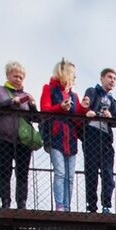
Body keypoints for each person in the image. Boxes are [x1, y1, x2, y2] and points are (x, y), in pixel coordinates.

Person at [0, 61, 37, 210]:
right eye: (15, 76)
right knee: (5, 170)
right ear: (8, 75)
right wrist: (10, 102)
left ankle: (21, 203)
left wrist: (33, 105)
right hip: (4, 136)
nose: (18, 79)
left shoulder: (26, 96)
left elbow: (36, 119)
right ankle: (6, 202)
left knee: (22, 173)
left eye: (21, 77)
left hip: (23, 140)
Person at [40, 58, 87, 212]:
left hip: (71, 138)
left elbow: (78, 119)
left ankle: (67, 206)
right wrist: (60, 107)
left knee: (70, 176)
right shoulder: (49, 89)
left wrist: (84, 109)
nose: (74, 77)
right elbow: (45, 109)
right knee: (60, 172)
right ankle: (60, 205)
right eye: (72, 74)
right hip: (56, 135)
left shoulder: (74, 96)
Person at [81, 67, 116, 213]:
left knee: (108, 173)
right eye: (109, 77)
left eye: (114, 79)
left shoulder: (113, 100)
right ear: (102, 78)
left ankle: (106, 204)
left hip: (106, 137)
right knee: (92, 172)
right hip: (91, 134)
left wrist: (110, 117)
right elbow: (85, 108)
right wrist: (94, 112)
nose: (112, 81)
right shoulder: (92, 91)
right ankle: (92, 205)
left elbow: (115, 122)